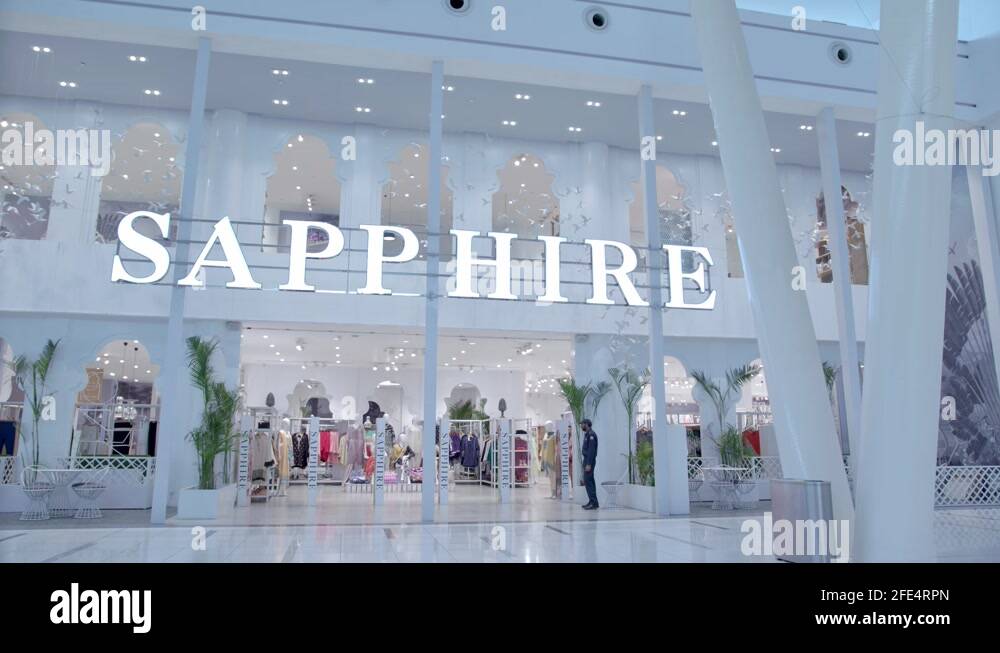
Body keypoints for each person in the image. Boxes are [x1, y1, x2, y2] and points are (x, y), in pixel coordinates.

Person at [581, 419, 599, 510]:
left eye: (582, 424)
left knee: (588, 481)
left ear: (587, 424)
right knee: (589, 481)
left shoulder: (591, 435)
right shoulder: (587, 434)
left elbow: (591, 451)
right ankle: (592, 501)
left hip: (589, 461)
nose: (581, 426)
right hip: (587, 460)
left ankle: (593, 502)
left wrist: (588, 464)